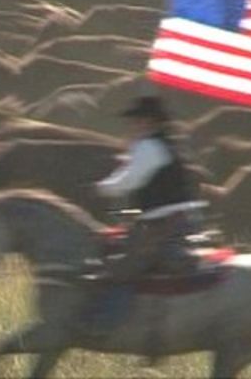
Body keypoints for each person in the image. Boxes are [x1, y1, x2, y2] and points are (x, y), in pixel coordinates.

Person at [85, 95, 205, 334]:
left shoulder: (149, 146)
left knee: (125, 268)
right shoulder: (161, 144)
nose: (132, 125)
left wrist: (101, 188)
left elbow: (130, 180)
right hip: (172, 219)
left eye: (136, 120)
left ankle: (105, 324)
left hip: (164, 224)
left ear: (149, 121)